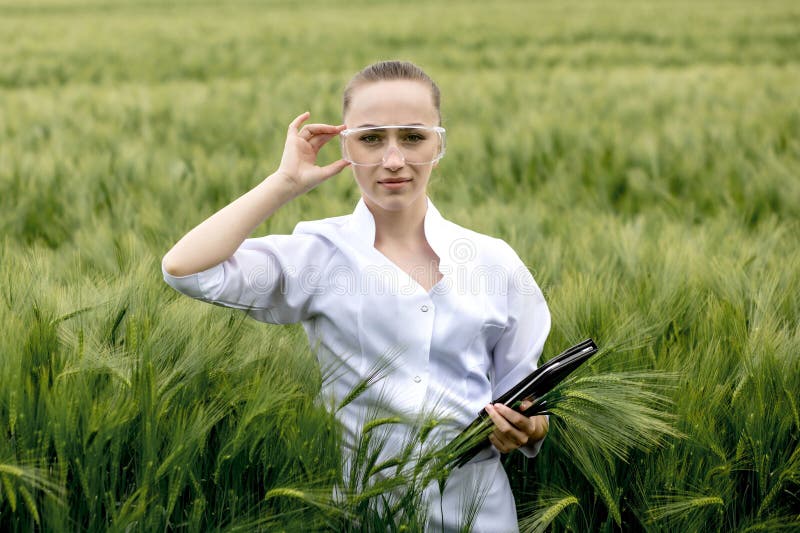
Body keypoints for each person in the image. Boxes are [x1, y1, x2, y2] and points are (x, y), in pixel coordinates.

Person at [162, 60, 551, 532]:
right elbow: (185, 268)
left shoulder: (494, 261)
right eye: (370, 139)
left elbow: (529, 399)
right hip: (364, 512)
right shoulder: (317, 255)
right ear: (344, 145)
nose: (392, 160)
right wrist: (284, 183)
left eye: (412, 137)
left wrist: (527, 428)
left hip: (481, 515)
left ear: (439, 143)